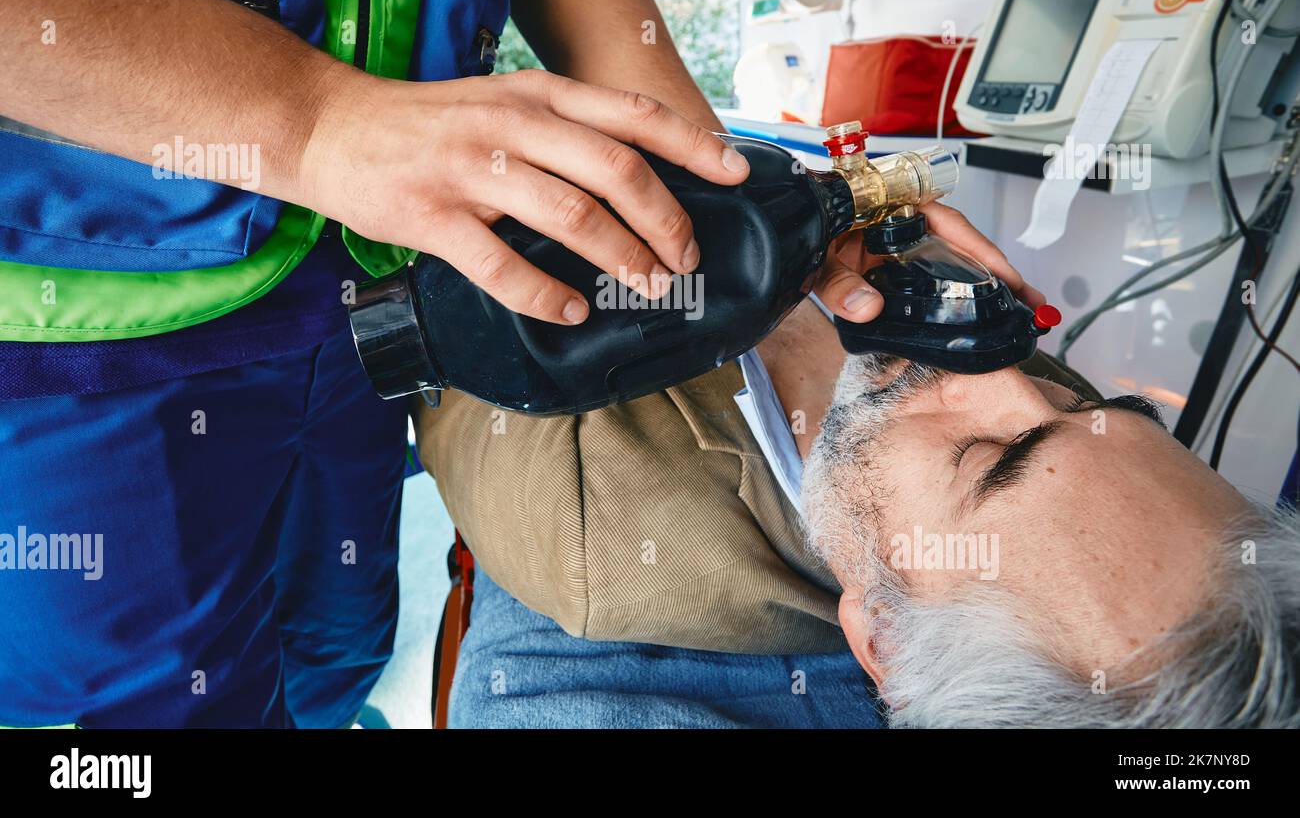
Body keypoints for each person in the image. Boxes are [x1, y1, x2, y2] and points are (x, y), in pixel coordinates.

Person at [0, 0, 882, 728]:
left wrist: (732, 212)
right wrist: (309, 121)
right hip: (94, 310)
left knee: (338, 637)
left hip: (373, 274)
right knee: (147, 706)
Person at [419, 216, 1299, 727]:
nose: (1007, 370)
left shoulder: (588, 528)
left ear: (878, 634)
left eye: (990, 458)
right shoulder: (1028, 440)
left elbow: (443, 357)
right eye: (1095, 412)